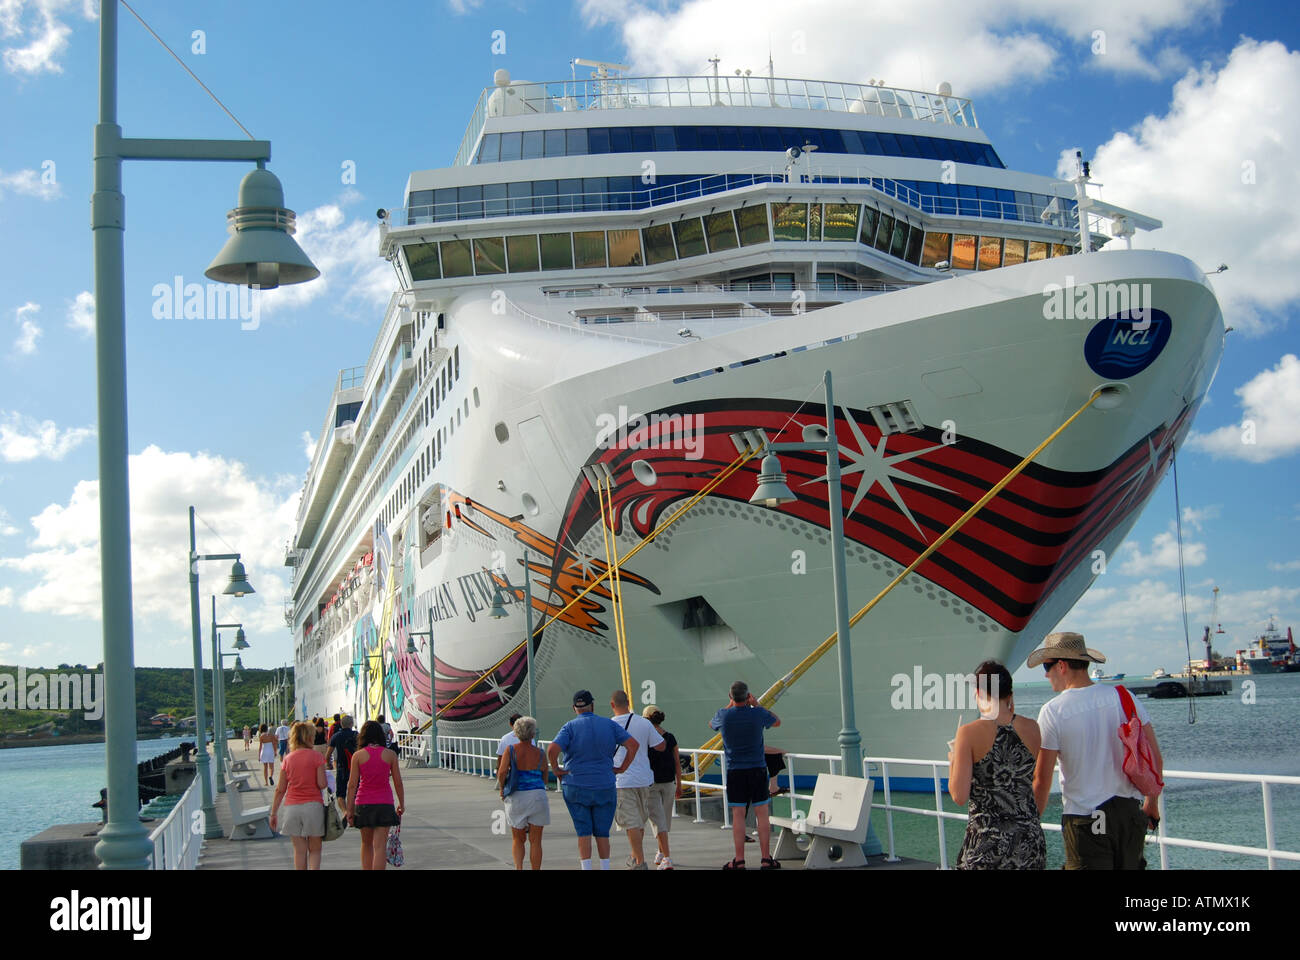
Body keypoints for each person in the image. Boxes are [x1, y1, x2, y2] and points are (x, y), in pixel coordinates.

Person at [1030, 632, 1163, 870]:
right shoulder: (1124, 698)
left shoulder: (1053, 712)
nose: (1045, 674)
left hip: (1085, 818)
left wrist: (1031, 823)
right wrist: (1151, 803)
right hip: (1128, 815)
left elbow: (1042, 779)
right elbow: (1154, 757)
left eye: (1047, 666)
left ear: (1061, 666)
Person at [948, 659, 1046, 870]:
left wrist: (953, 762)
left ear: (980, 694)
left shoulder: (968, 733)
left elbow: (959, 796)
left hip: (987, 844)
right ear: (1009, 695)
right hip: (1029, 841)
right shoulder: (1033, 728)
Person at [546, 689, 638, 870]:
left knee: (583, 831)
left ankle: (586, 867)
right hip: (605, 784)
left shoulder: (569, 727)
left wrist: (556, 769)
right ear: (593, 706)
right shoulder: (609, 725)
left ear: (574, 708)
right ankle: (605, 867)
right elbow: (633, 745)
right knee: (602, 832)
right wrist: (622, 768)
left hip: (576, 785)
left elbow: (551, 750)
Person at [709, 680, 780, 869]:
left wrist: (730, 704)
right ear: (748, 696)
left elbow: (711, 724)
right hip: (757, 769)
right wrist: (756, 704)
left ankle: (739, 860)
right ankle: (766, 859)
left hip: (735, 771)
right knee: (762, 814)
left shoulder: (723, 715)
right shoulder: (757, 713)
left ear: (731, 697)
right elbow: (777, 721)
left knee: (738, 815)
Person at [610, 690, 665, 869]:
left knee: (632, 823)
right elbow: (661, 745)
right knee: (639, 821)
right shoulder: (644, 723)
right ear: (628, 702)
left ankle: (640, 862)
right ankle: (635, 856)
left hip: (622, 779)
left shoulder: (609, 725)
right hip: (644, 779)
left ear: (612, 705)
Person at [346, 719, 405, 870]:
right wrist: (401, 803)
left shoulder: (358, 756)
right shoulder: (390, 755)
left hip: (364, 803)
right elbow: (398, 782)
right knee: (379, 847)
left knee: (366, 844)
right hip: (384, 803)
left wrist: (350, 809)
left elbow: (352, 785)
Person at [270, 721, 328, 870]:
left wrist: (273, 813)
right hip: (313, 806)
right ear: (310, 737)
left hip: (292, 808)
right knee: (315, 849)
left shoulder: (288, 759)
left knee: (299, 851)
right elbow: (322, 784)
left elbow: (280, 789)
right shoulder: (316, 757)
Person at [496, 715, 550, 870]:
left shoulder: (511, 750)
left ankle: (519, 867)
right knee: (536, 840)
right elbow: (545, 774)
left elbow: (502, 772)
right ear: (532, 734)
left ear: (516, 733)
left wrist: (502, 789)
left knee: (518, 839)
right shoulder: (540, 752)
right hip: (538, 796)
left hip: (517, 797)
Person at [642, 705, 681, 870]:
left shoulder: (645, 738)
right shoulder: (670, 737)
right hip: (669, 782)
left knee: (658, 821)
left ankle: (666, 857)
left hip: (651, 784)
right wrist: (680, 784)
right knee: (664, 820)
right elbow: (677, 762)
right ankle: (660, 852)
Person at [325, 715, 358, 811]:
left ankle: (344, 812)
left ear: (341, 724)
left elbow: (328, 754)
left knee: (340, 794)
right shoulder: (357, 735)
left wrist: (329, 764)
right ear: (351, 724)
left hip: (341, 767)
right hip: (355, 768)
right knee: (356, 791)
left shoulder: (336, 736)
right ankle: (353, 812)